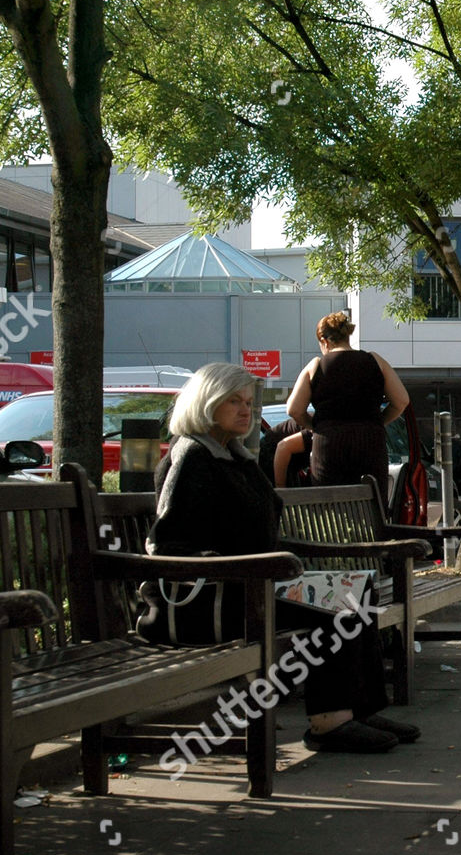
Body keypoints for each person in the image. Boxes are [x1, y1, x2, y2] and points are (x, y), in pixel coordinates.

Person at [142, 362, 418, 754]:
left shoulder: (234, 456)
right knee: (336, 605)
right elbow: (164, 544)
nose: (246, 411)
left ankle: (358, 709)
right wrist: (241, 566)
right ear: (207, 402)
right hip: (208, 601)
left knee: (356, 589)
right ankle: (329, 723)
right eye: (233, 401)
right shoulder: (190, 457)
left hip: (252, 585)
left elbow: (262, 527)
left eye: (249, 403)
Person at [286, 312, 409, 489]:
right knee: (371, 504)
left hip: (329, 444)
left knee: (329, 506)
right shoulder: (375, 360)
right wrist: (378, 422)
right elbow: (401, 401)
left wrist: (316, 426)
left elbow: (294, 409)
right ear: (346, 336)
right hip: (370, 442)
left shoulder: (315, 366)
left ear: (324, 341)